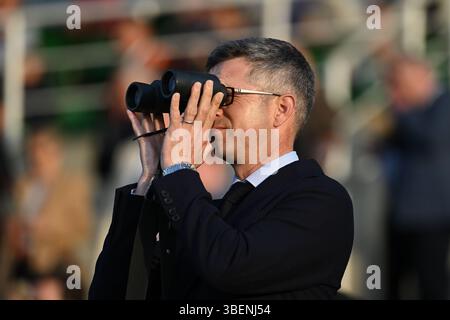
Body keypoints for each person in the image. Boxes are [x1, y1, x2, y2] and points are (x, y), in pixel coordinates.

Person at [89, 38, 354, 300]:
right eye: (207, 97)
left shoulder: (322, 200)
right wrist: (150, 179)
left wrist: (181, 171)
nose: (211, 112)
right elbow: (114, 292)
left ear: (281, 109)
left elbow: (230, 266)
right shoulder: (207, 210)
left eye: (225, 96)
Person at [382, 56, 450, 299]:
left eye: (401, 83)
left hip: (430, 216)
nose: (396, 91)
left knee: (431, 284)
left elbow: (432, 139)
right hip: (401, 213)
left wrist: (402, 110)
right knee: (393, 284)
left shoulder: (442, 104)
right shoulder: (411, 114)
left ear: (422, 77)